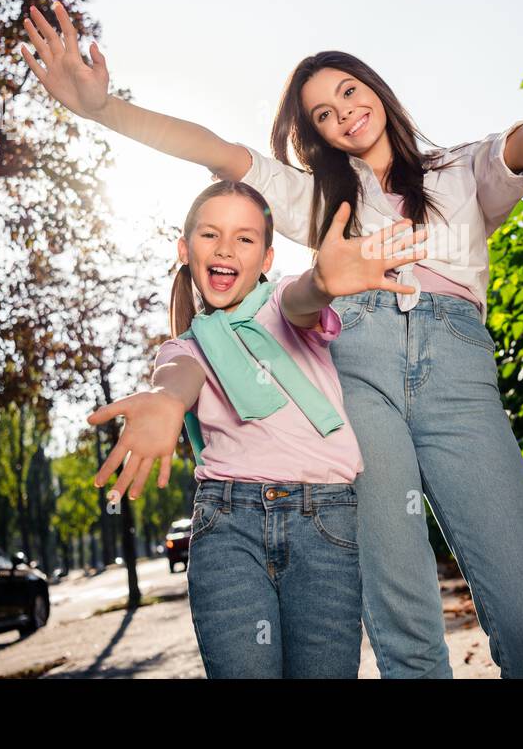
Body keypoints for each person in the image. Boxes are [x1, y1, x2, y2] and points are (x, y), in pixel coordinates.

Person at [22, 0, 523, 677]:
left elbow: (519, 143)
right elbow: (215, 150)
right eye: (322, 116)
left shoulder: (458, 169)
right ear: (315, 135)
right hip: (358, 380)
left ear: (375, 89)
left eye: (348, 93)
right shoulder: (318, 200)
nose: (342, 116)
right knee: (405, 620)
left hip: (457, 381)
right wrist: (105, 110)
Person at [87, 178, 426, 677]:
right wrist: (164, 399)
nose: (226, 248)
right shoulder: (186, 348)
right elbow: (178, 376)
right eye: (210, 235)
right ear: (185, 249)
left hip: (325, 521)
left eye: (244, 238)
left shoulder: (282, 304)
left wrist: (324, 281)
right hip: (228, 524)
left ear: (266, 258)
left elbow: (303, 299)